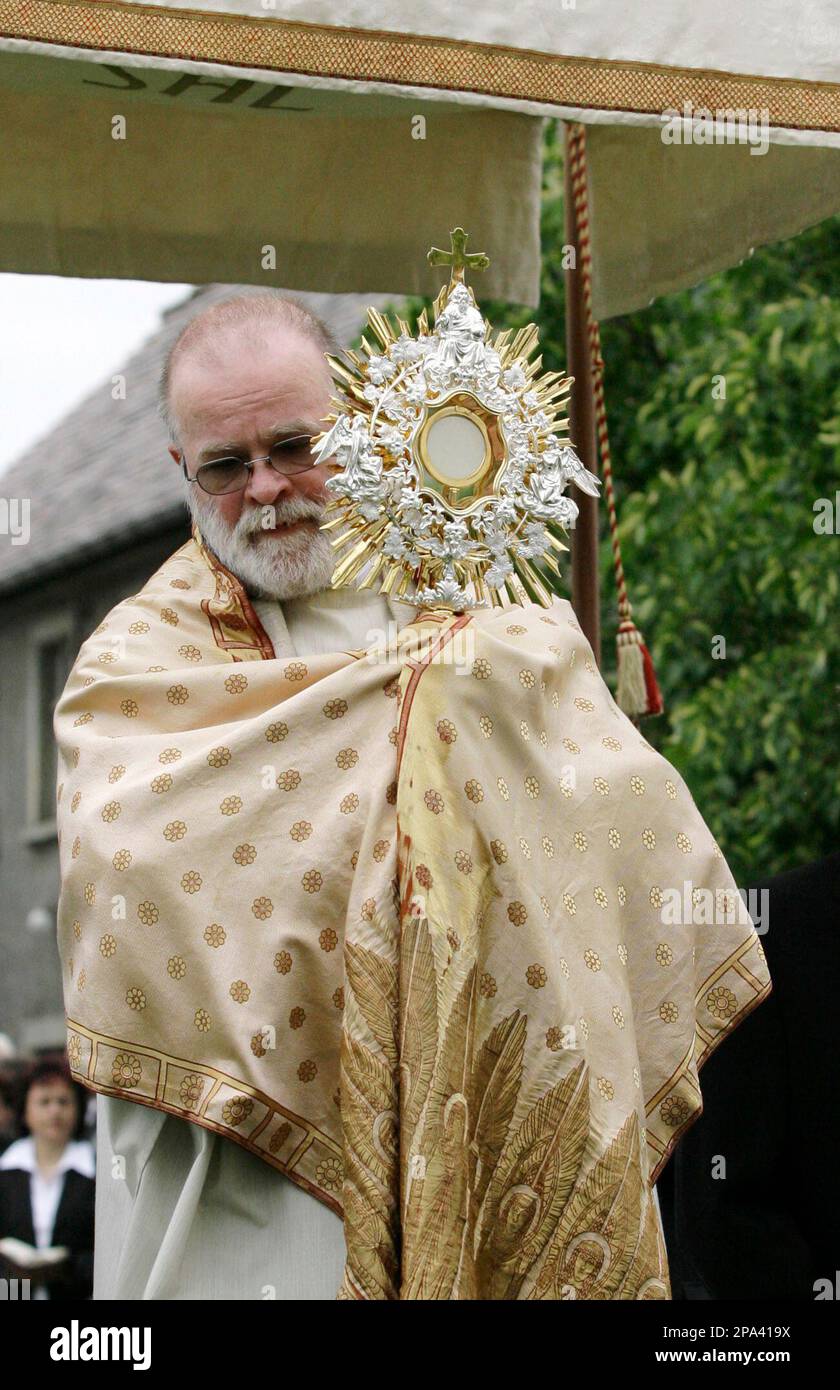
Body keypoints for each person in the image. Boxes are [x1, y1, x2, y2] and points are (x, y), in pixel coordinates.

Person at [54, 291, 772, 1300]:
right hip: (256, 1179)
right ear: (182, 471)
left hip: (495, 1101)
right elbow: (129, 878)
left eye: (294, 445)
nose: (265, 490)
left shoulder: (485, 606)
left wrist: (488, 710)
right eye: (225, 466)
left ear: (357, 418)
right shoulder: (132, 667)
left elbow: (614, 827)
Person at [0, 1059, 95, 1299]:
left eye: (63, 1102)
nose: (55, 1111)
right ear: (26, 1110)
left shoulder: (96, 1172)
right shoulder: (6, 1169)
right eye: (44, 1102)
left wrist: (65, 1267)